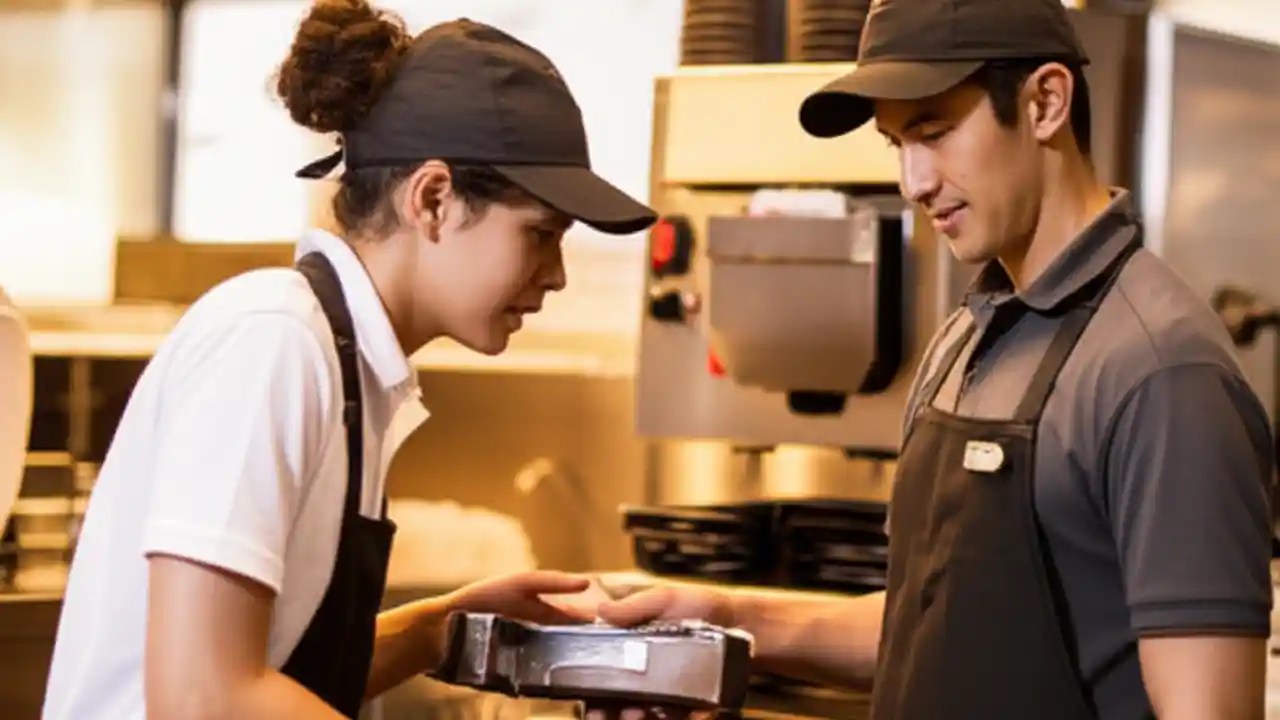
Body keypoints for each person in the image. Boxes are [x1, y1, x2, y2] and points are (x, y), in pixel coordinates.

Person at [597, 1, 1275, 718]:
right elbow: (929, 620)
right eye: (897, 144)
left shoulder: (1163, 373)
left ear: (1046, 102)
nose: (914, 181)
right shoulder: (964, 337)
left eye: (935, 132)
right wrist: (720, 618)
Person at [42, 2, 654, 718]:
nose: (556, 274)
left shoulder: (350, 368)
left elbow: (279, 668)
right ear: (433, 199)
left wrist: (440, 628)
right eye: (541, 233)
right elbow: (204, 696)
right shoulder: (273, 339)